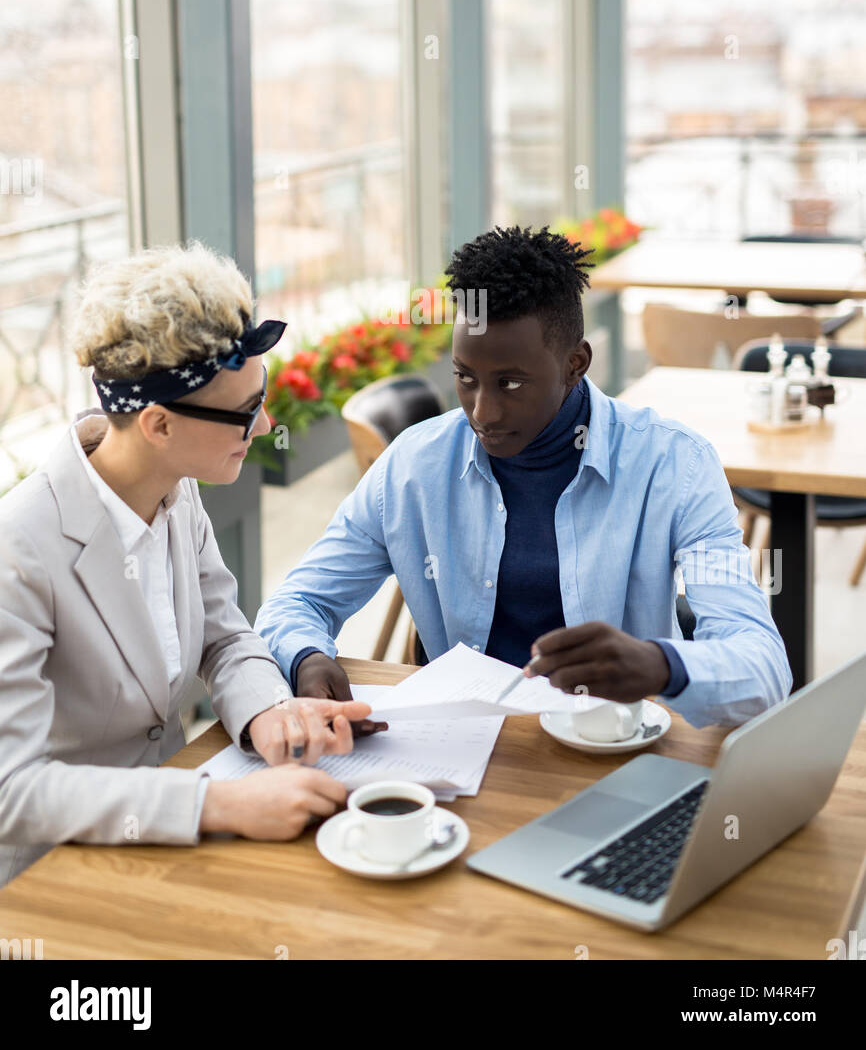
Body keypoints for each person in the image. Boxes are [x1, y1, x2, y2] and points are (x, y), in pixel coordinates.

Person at [257, 225, 792, 729]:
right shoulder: (414, 467)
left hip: (614, 745)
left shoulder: (676, 466)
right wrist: (305, 656)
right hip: (465, 748)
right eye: (465, 378)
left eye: (511, 383)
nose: (482, 413)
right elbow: (298, 602)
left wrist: (661, 666)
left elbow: (764, 669)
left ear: (575, 363)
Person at [0, 240, 373, 888]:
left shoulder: (175, 486)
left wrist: (267, 716)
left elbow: (224, 636)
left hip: (170, 851)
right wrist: (216, 803)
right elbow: (14, 792)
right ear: (158, 425)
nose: (263, 429)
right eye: (244, 414)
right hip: (54, 881)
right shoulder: (18, 550)